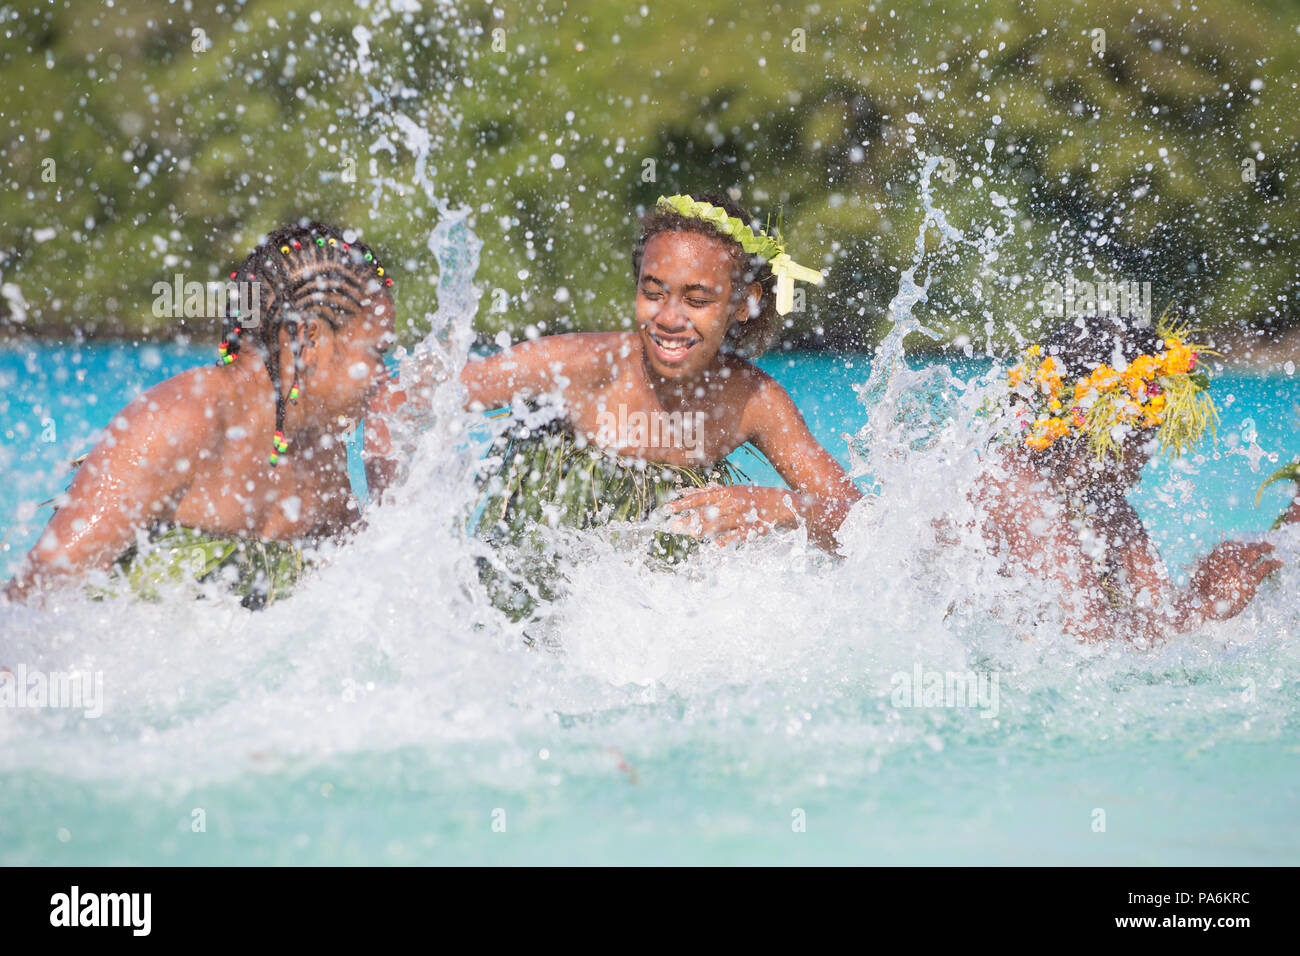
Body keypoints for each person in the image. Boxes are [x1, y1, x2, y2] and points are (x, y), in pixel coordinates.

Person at [366, 193, 863, 622]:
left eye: (697, 299)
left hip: (649, 622)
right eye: (653, 292)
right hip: (520, 608)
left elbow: (863, 525)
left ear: (744, 302)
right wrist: (389, 532)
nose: (669, 318)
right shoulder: (579, 367)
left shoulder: (751, 401)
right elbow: (397, 401)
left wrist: (774, 506)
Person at [3, 221, 396, 608]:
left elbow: (361, 588)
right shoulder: (181, 421)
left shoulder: (318, 450)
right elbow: (31, 594)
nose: (381, 375)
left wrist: (398, 469)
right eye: (376, 352)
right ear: (310, 340)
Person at [972, 312, 1286, 646]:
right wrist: (1208, 606)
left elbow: (1158, 626)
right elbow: (1089, 638)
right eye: (1147, 432)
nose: (1149, 454)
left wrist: (1200, 591)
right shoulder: (1009, 483)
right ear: (1106, 426)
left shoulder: (1106, 506)